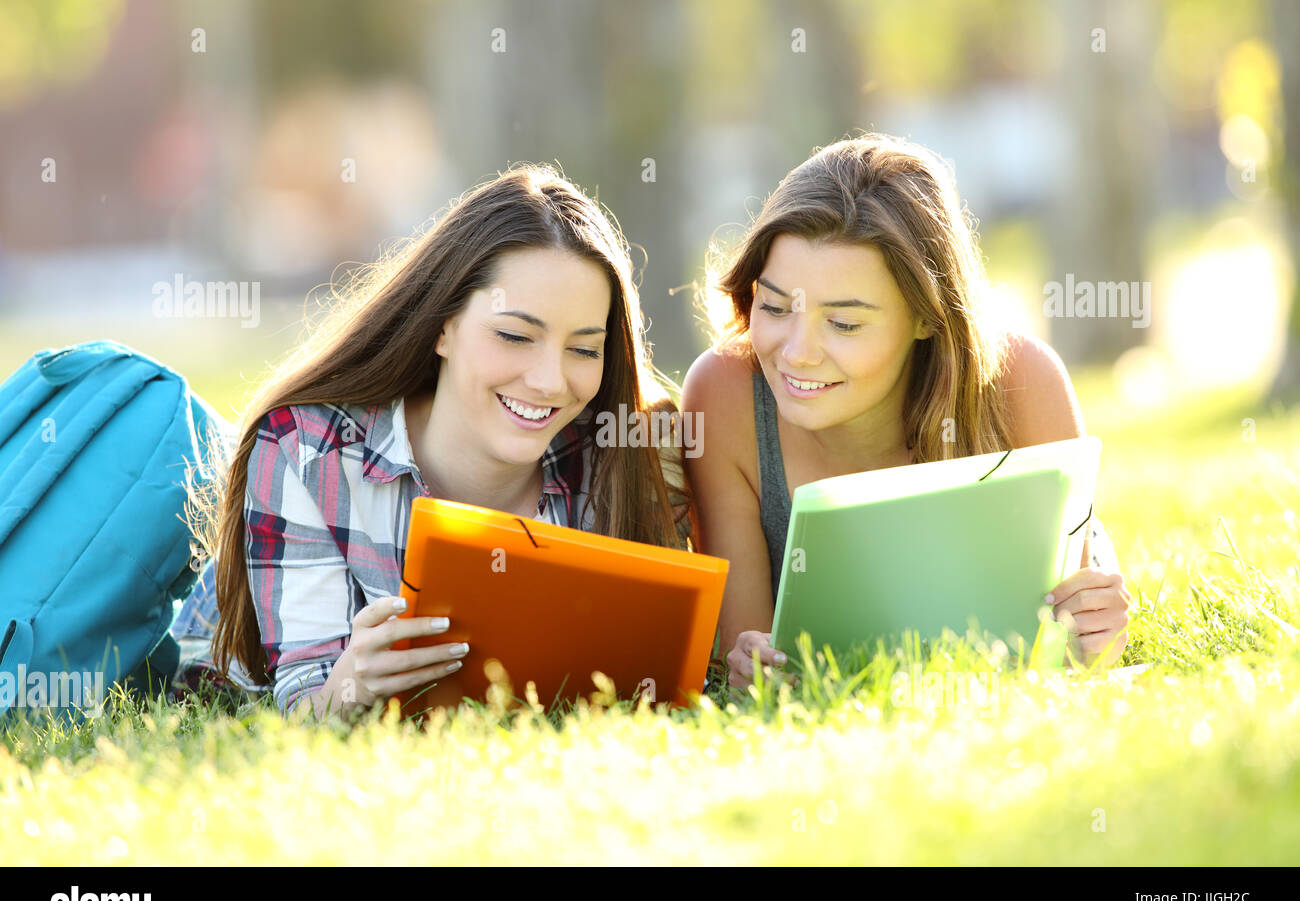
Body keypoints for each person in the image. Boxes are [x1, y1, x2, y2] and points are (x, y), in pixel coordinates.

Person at [182, 164, 695, 719]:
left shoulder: (629, 455)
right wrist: (353, 682)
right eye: (514, 335)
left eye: (584, 349)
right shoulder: (307, 450)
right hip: (216, 644)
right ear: (443, 325)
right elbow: (305, 707)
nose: (550, 381)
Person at [680, 133, 1132, 691]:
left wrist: (1091, 632)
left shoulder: (1022, 381)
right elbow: (740, 658)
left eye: (844, 323)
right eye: (773, 307)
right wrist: (748, 665)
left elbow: (1069, 642)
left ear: (926, 318)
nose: (796, 351)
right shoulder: (723, 395)